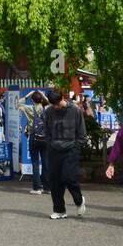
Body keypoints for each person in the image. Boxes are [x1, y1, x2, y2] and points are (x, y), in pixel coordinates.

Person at [44, 88, 87, 219]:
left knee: (68, 176)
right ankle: (59, 210)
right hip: (54, 149)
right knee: (54, 181)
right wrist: (50, 144)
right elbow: (47, 130)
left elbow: (82, 132)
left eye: (57, 103)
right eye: (53, 104)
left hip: (71, 148)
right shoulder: (49, 111)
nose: (56, 107)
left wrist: (77, 146)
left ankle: (79, 200)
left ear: (63, 98)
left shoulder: (75, 110)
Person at [22, 90, 49, 194]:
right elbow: (50, 102)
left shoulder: (29, 108)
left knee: (35, 162)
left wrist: (28, 95)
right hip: (46, 138)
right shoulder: (46, 108)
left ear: (32, 100)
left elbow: (18, 104)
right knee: (46, 162)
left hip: (34, 137)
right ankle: (47, 187)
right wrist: (43, 94)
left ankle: (37, 188)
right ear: (41, 99)